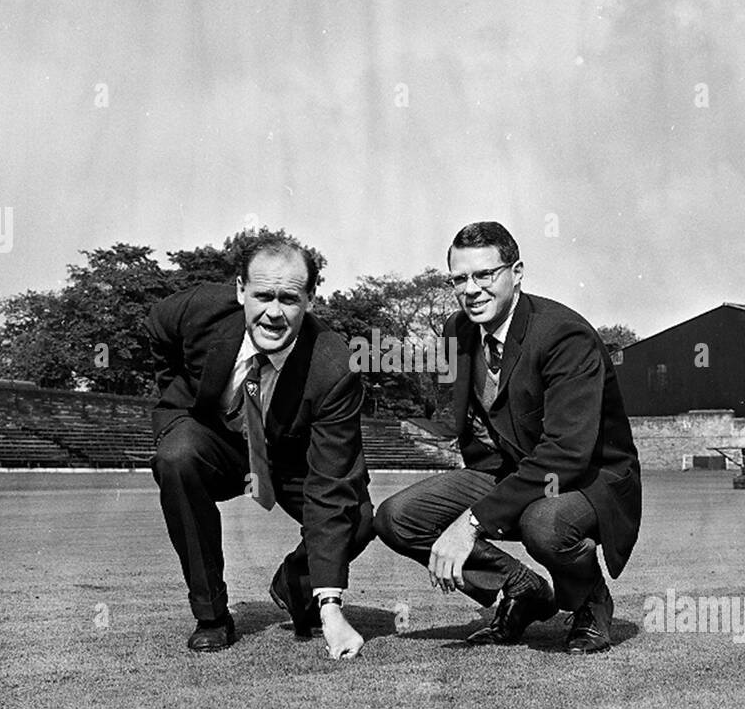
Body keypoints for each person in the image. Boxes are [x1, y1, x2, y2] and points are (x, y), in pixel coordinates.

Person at [374, 221, 642, 654]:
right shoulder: (455, 331)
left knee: (544, 524)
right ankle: (523, 589)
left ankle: (590, 600)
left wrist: (472, 522)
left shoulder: (563, 335)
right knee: (396, 516)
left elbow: (567, 453)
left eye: (485, 275)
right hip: (512, 470)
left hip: (590, 479)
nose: (471, 289)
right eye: (460, 278)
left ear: (516, 272)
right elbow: (465, 413)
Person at [148, 235, 374, 659]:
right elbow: (157, 328)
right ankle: (212, 616)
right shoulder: (200, 310)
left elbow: (331, 485)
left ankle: (295, 582)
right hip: (216, 440)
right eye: (263, 295)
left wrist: (331, 609)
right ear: (240, 291)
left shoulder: (334, 366)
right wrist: (178, 394)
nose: (273, 312)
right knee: (177, 455)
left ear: (309, 300)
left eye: (288, 298)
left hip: (289, 455)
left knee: (358, 517)